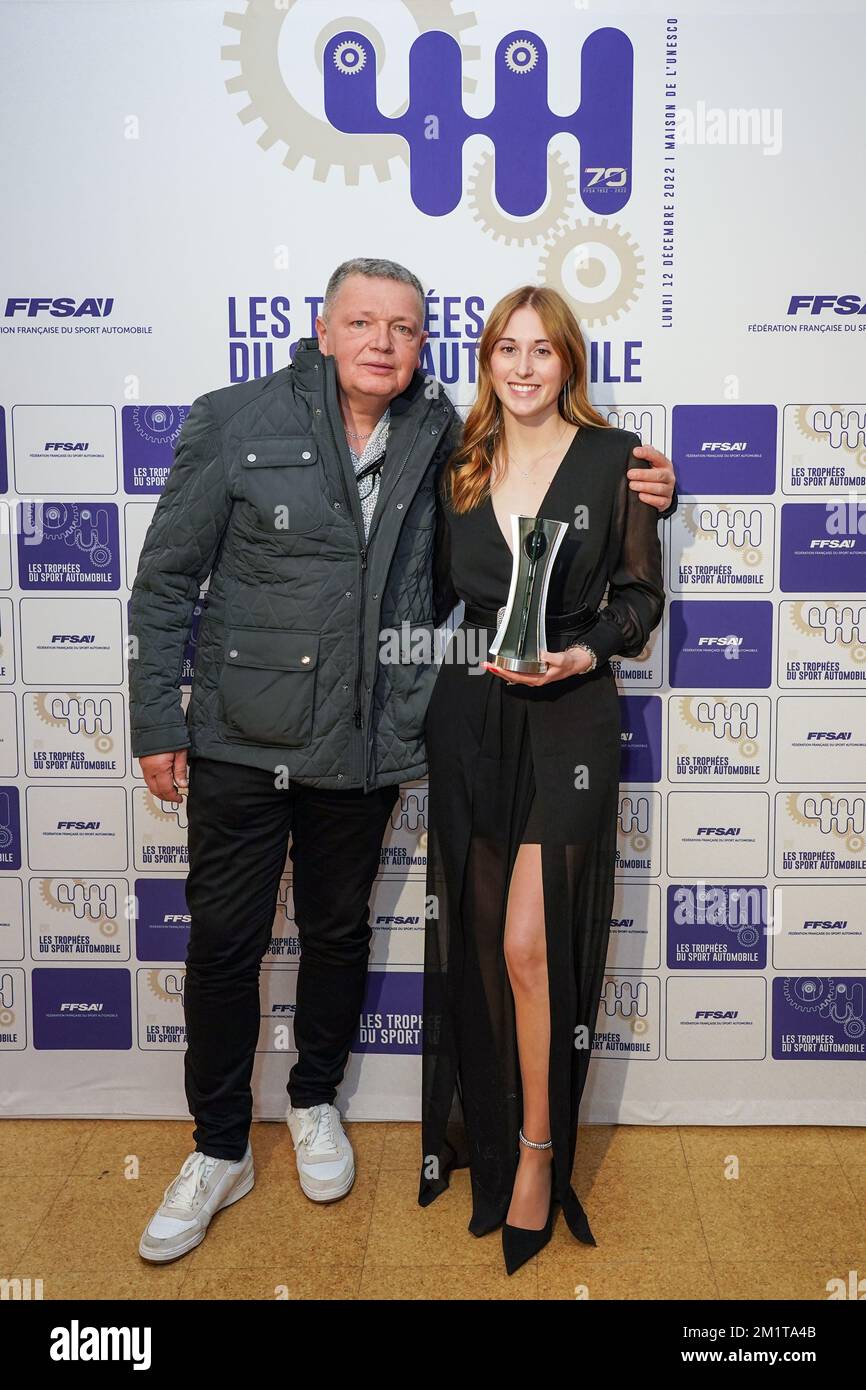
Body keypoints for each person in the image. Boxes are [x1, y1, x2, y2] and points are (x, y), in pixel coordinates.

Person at [128, 258, 675, 1263]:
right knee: (225, 945)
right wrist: (157, 717)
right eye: (363, 323)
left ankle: (323, 1103)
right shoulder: (255, 420)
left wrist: (654, 492)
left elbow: (609, 571)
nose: (383, 343)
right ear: (324, 330)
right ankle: (216, 1148)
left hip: (387, 741)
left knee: (348, 935)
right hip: (263, 735)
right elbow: (166, 579)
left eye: (404, 328)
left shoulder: (455, 438)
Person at [419, 285, 667, 1275]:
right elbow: (425, 591)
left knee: (530, 942)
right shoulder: (460, 468)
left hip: (570, 714)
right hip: (471, 717)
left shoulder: (617, 464)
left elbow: (640, 599)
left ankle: (535, 1154)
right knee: (482, 940)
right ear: (485, 362)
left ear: (568, 363)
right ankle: (485, 1131)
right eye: (504, 350)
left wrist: (585, 651)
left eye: (542, 351)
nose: (522, 368)